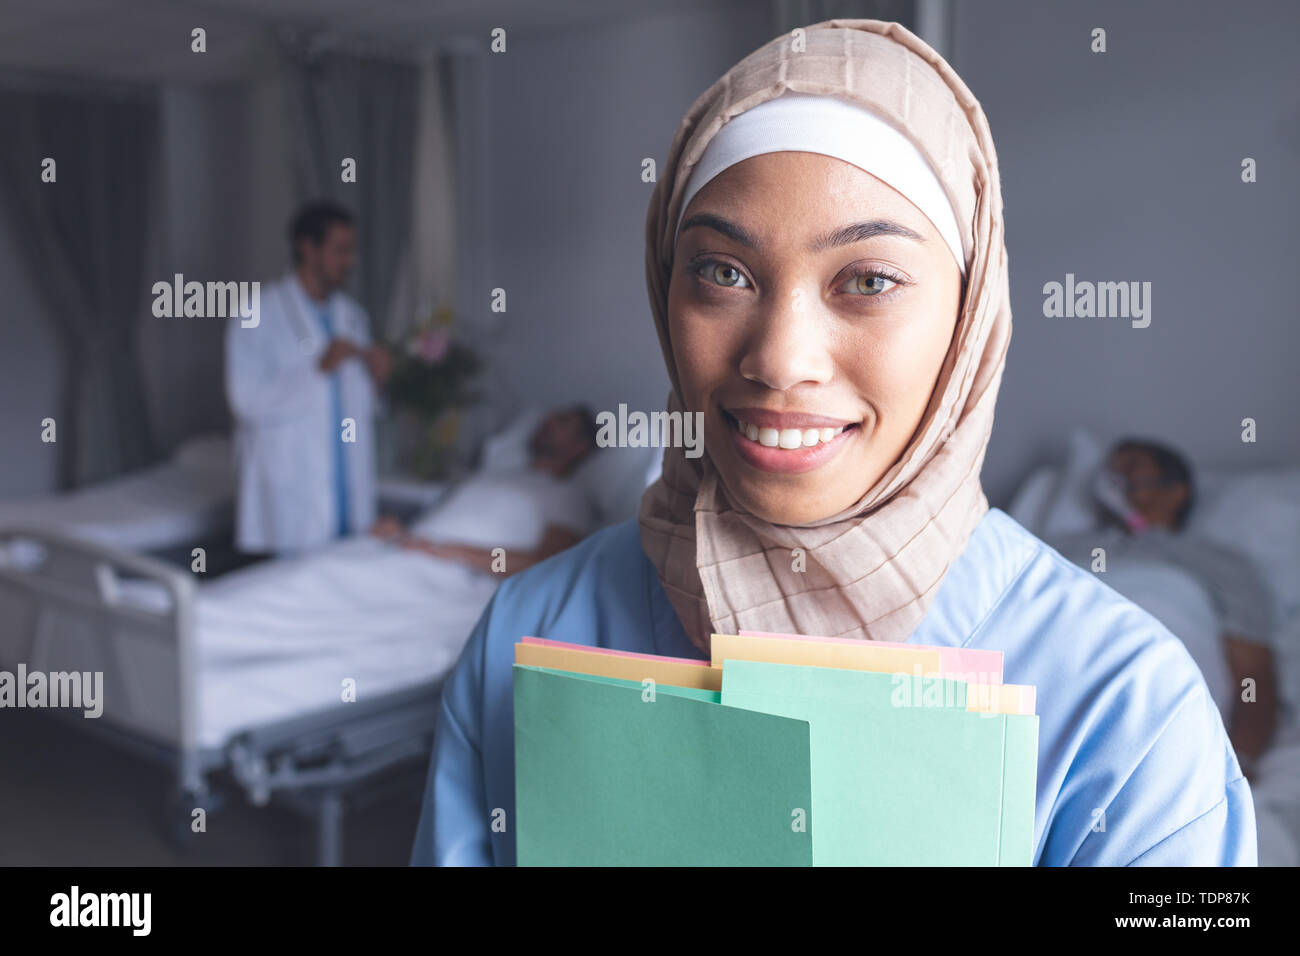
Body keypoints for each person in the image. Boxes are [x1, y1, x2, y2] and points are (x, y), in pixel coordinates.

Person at [411, 20, 1256, 866]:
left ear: (966, 321)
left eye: (870, 281)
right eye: (722, 271)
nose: (779, 359)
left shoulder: (1127, 708)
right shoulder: (529, 631)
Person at [1048, 438, 1279, 773]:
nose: (1112, 478)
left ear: (1176, 491)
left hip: (1157, 715)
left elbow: (1253, 673)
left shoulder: (1219, 564)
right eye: (1109, 469)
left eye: (1130, 468)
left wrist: (1241, 760)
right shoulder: (1058, 548)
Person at [225, 201, 392, 555]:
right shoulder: (257, 314)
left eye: (352, 251)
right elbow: (246, 401)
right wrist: (318, 369)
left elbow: (359, 405)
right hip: (294, 491)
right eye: (340, 251)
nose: (351, 261)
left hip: (349, 491)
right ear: (308, 248)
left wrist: (377, 379)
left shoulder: (353, 316)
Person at [371, 406, 599, 575]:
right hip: (401, 551)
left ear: (580, 447)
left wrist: (454, 553)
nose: (547, 421)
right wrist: (399, 530)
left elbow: (548, 564)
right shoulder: (492, 476)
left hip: (454, 577)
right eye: (550, 416)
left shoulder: (568, 495)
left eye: (562, 422)